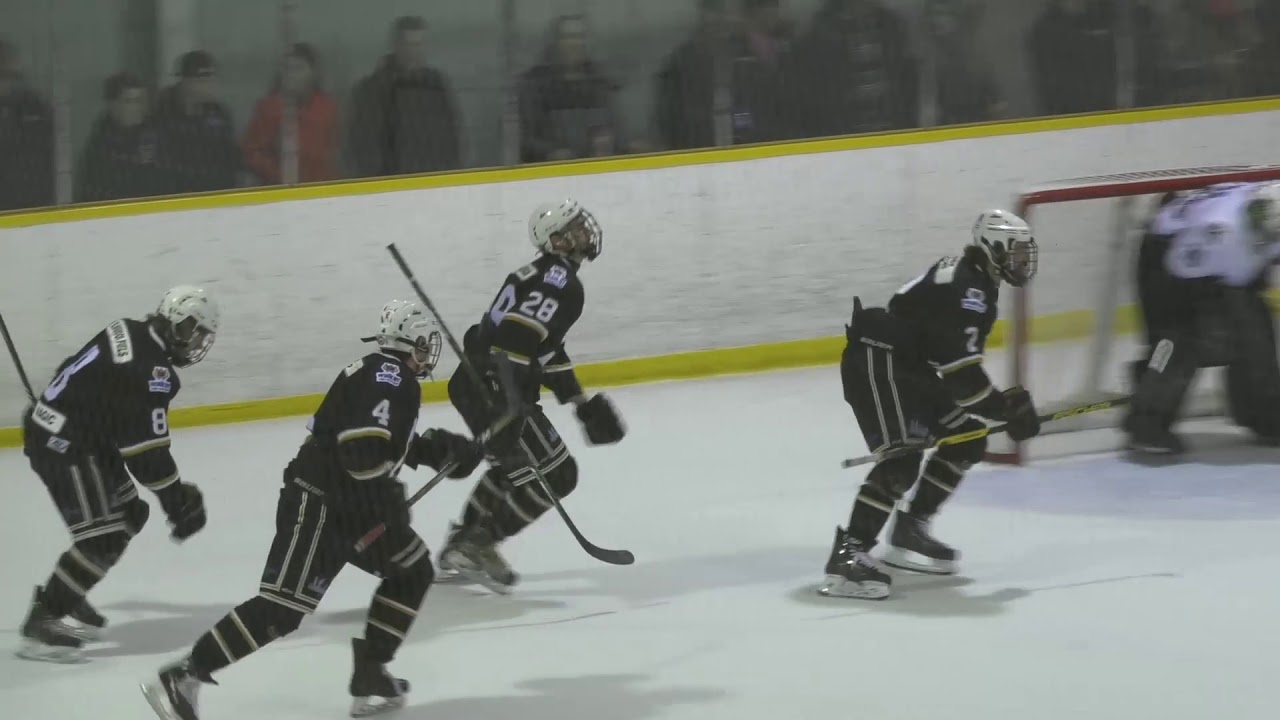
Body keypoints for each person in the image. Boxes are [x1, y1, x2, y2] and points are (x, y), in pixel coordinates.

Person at [141, 300, 483, 720]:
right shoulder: (390, 378)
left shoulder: (385, 374)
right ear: (406, 340)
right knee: (283, 609)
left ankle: (372, 673)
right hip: (319, 501)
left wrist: (439, 449)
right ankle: (182, 676)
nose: (429, 351)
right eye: (424, 342)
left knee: (411, 569)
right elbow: (358, 452)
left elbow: (379, 440)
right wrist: (388, 499)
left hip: (352, 504)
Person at [823, 210, 1042, 600]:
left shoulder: (975, 280)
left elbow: (952, 363)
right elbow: (961, 377)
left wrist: (998, 408)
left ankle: (910, 528)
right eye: (1018, 252)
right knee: (903, 458)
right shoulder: (970, 290)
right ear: (993, 247)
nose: (1023, 261)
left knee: (966, 438)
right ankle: (849, 555)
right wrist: (1004, 409)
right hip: (880, 359)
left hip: (907, 364)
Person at [17, 287, 219, 661]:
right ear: (177, 324)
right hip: (62, 443)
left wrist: (63, 401)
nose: (196, 343)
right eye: (195, 331)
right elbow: (146, 453)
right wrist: (177, 499)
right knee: (104, 537)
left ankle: (69, 590)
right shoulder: (153, 370)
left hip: (81, 436)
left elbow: (74, 368)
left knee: (130, 514)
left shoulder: (127, 329)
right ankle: (43, 622)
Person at [437, 199, 626, 594]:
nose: (584, 232)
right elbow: (518, 338)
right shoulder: (561, 281)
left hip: (475, 384)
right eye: (574, 228)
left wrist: (580, 402)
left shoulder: (543, 273)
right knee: (559, 474)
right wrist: (508, 399)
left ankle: (461, 544)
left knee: (512, 469)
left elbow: (545, 348)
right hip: (495, 387)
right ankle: (478, 543)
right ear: (556, 240)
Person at [1124, 181, 1280, 455]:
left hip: (1211, 249)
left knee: (1254, 332)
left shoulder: (1269, 201)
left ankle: (1263, 414)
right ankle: (1148, 420)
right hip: (1168, 259)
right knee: (1176, 339)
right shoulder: (1225, 235)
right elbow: (1178, 279)